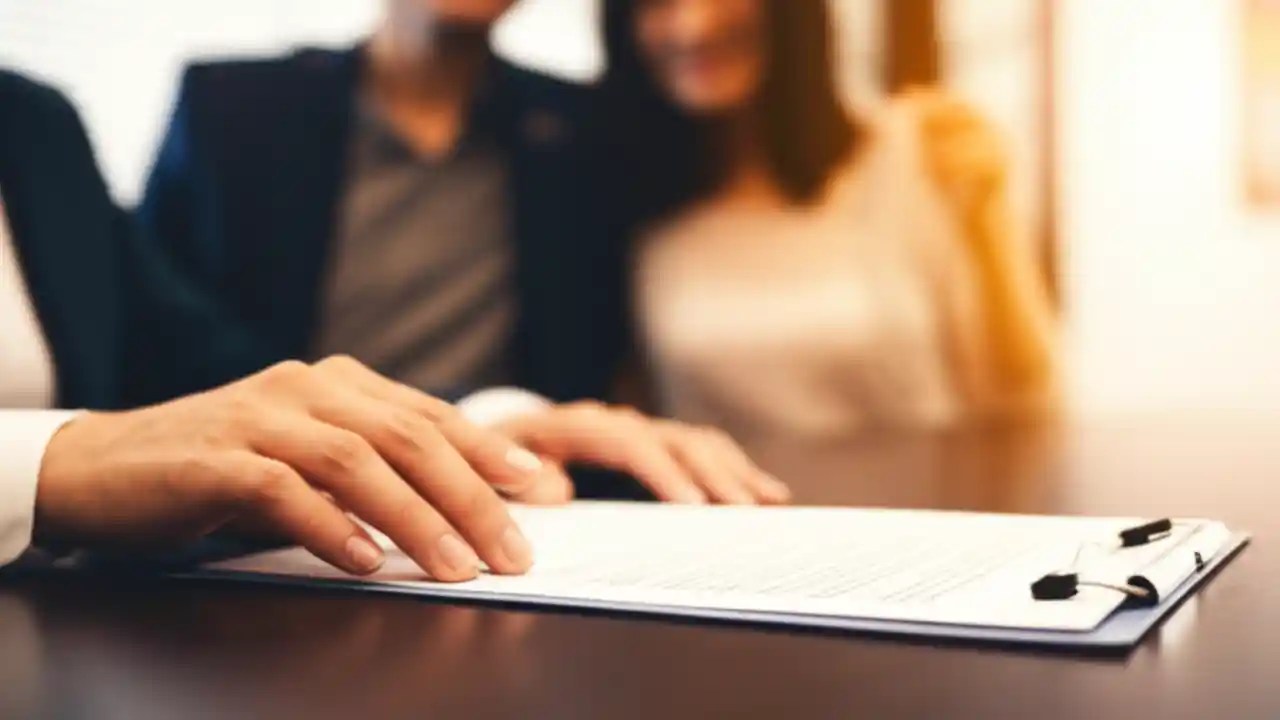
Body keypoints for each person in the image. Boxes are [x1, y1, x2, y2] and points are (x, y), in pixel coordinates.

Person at [0, 68, 789, 576]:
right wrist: (49, 460)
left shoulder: (35, 125)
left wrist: (483, 425)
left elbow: (213, 375)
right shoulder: (235, 105)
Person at [602, 0, 1060, 447]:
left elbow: (1022, 396)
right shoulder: (629, 203)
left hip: (926, 512)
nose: (693, 26)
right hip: (731, 518)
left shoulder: (923, 150)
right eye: (656, 3)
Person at [138, 0, 625, 409]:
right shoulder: (233, 108)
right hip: (265, 476)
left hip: (508, 479)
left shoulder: (584, 134)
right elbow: (151, 334)